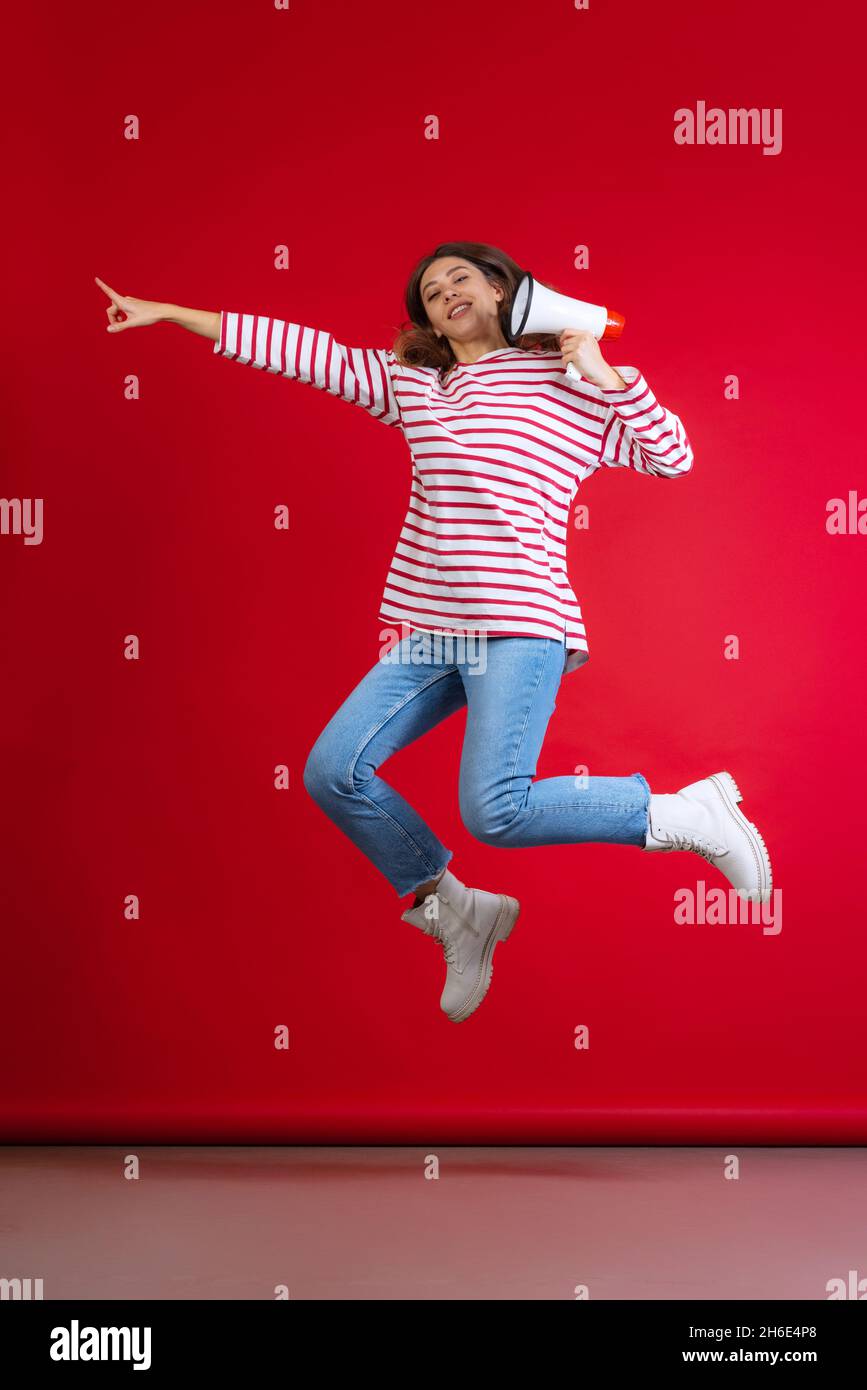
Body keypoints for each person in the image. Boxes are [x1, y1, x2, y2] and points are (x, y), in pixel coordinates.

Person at [94, 242, 772, 1024]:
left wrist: (602, 371)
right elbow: (305, 352)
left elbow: (672, 455)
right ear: (428, 322)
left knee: (496, 814)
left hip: (519, 621)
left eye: (460, 277)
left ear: (500, 290)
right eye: (429, 290)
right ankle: (457, 911)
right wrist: (171, 314)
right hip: (434, 627)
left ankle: (683, 814)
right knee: (333, 772)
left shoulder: (563, 383)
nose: (445, 290)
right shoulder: (416, 385)